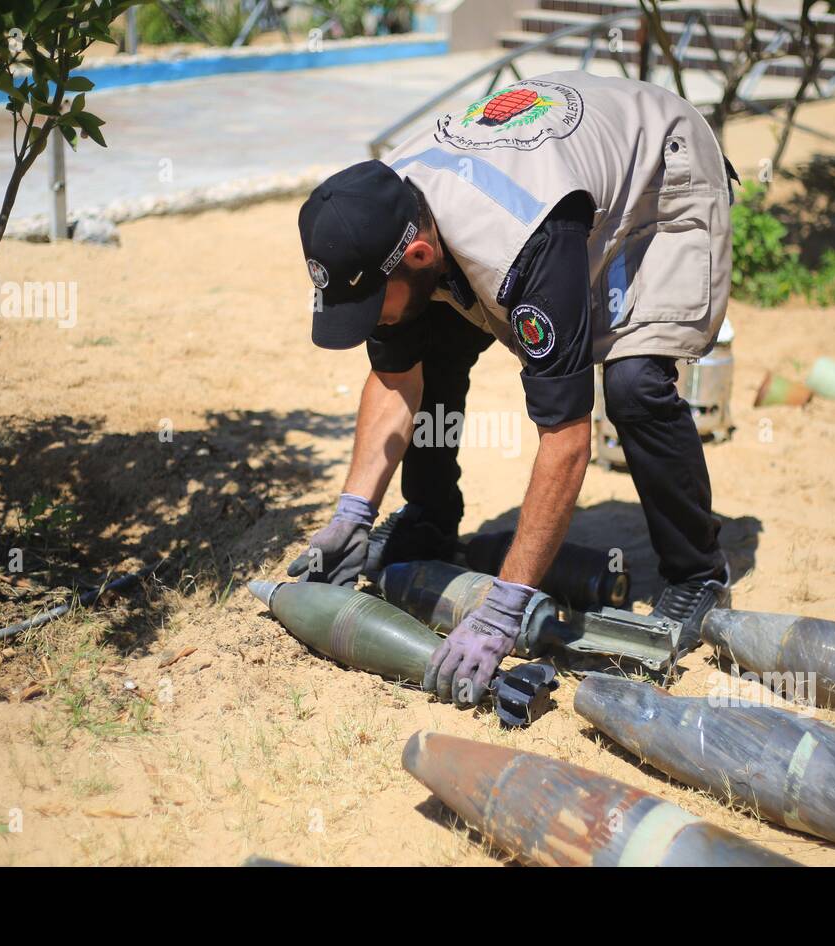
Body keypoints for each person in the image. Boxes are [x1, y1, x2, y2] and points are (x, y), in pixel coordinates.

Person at [289, 71, 737, 707]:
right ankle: (430, 519)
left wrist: (503, 610)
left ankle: (698, 570)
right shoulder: (383, 214)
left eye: (368, 304)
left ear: (417, 255)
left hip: (657, 180)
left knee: (634, 383)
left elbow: (567, 441)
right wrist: (351, 513)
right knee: (425, 337)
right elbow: (394, 379)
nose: (368, 320)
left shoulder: (525, 245)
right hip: (565, 182)